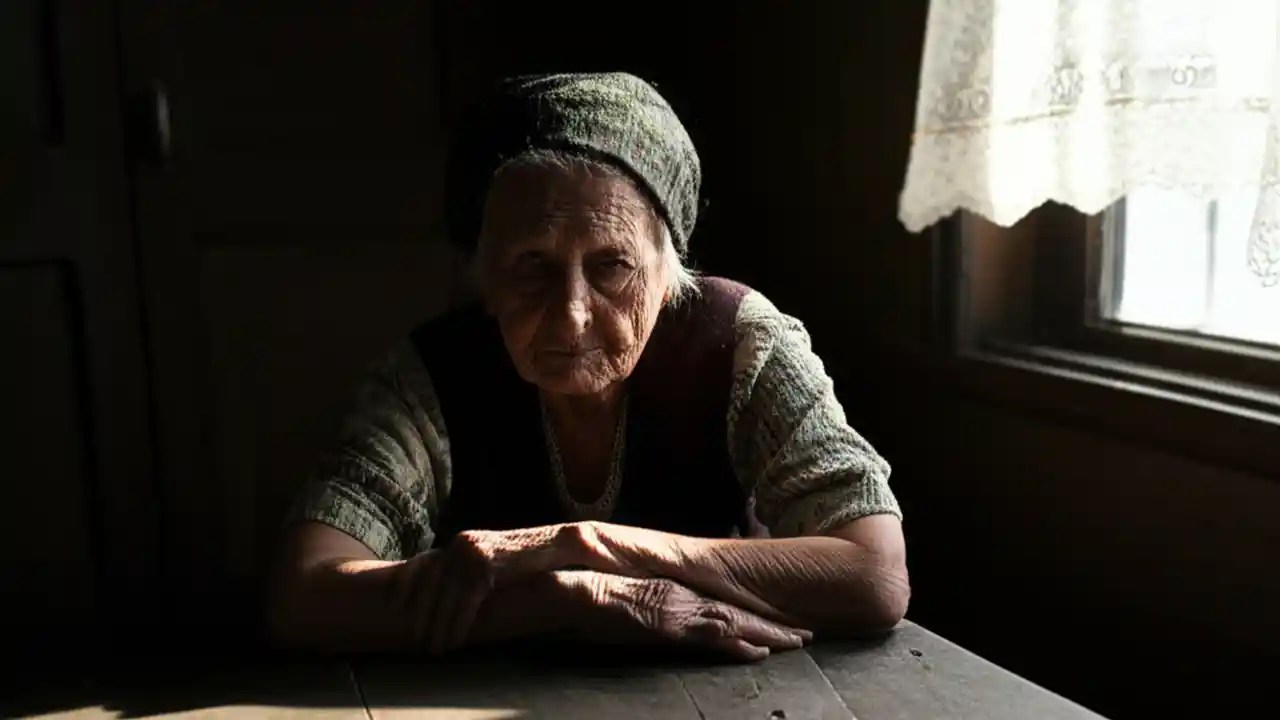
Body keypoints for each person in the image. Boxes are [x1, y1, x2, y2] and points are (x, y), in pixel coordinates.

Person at [268, 72, 908, 662]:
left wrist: (589, 545)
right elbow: (306, 592)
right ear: (484, 276)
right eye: (531, 267)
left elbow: (875, 575)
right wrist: (566, 599)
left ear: (668, 276)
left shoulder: (741, 343)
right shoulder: (434, 372)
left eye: (612, 266)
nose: (571, 316)